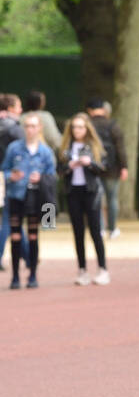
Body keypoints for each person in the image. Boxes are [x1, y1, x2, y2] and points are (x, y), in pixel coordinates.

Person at [2, 113, 56, 288]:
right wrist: (13, 175)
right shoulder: (14, 148)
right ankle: (15, 276)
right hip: (16, 196)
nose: (30, 130)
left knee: (33, 235)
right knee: (16, 236)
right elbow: (5, 170)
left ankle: (33, 275)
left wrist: (40, 178)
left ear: (39, 128)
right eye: (27, 126)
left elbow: (52, 176)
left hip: (36, 198)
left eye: (34, 126)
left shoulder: (45, 152)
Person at [59, 113, 110, 285]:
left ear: (87, 128)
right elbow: (59, 169)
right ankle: (82, 270)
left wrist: (90, 163)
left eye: (80, 127)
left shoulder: (94, 146)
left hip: (91, 192)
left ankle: (102, 268)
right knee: (78, 232)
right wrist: (69, 166)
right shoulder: (66, 147)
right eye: (74, 127)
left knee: (95, 231)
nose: (77, 130)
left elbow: (103, 168)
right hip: (73, 191)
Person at [86, 99, 128, 239]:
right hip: (112, 168)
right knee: (112, 199)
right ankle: (113, 228)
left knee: (96, 199)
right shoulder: (113, 125)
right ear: (103, 110)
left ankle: (100, 228)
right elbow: (120, 148)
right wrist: (124, 167)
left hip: (93, 168)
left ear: (89, 110)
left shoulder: (88, 125)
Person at [0, 94, 24, 273]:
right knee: (10, 218)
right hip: (9, 176)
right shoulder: (15, 129)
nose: (20, 110)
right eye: (18, 106)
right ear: (9, 109)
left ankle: (28, 255)